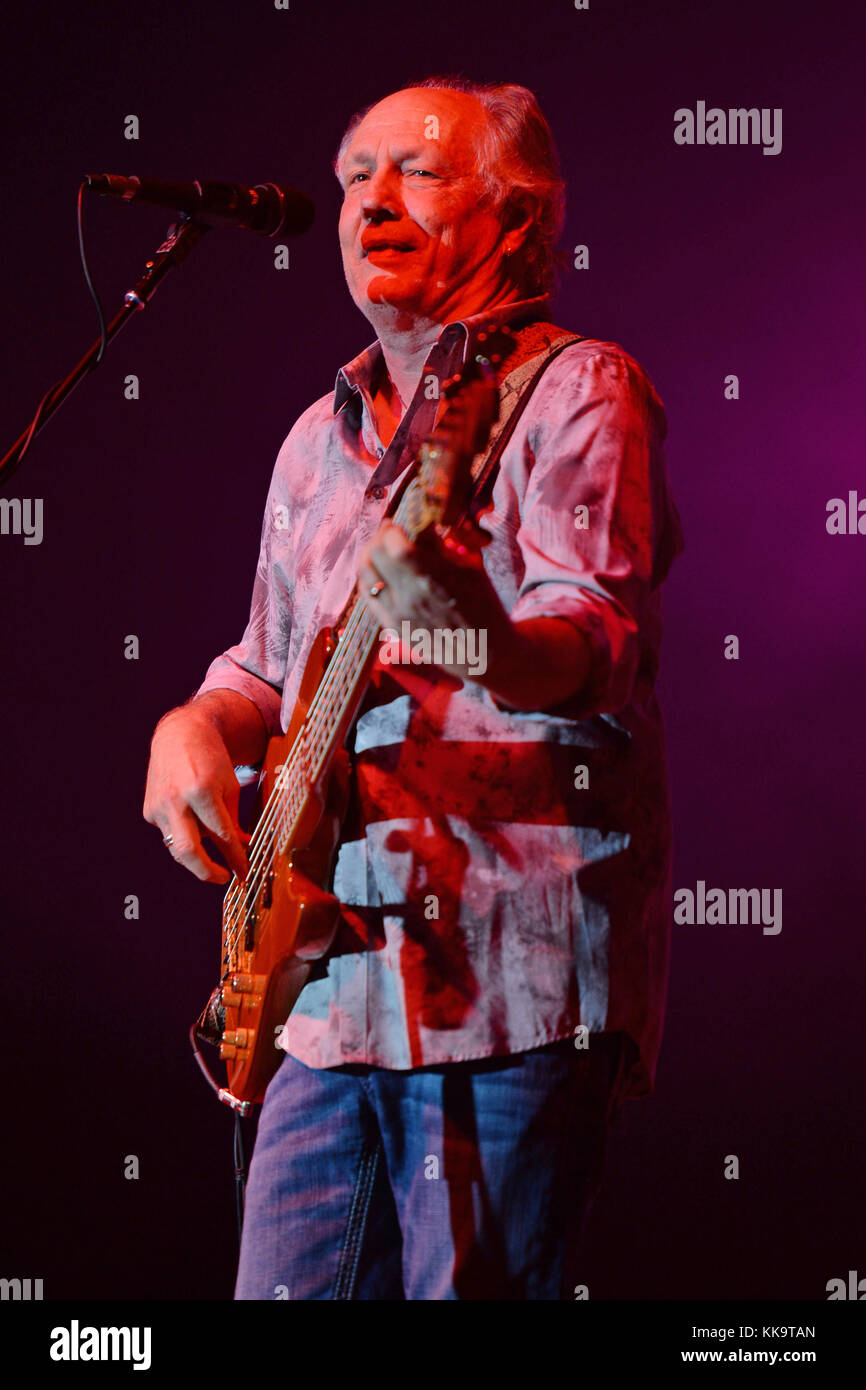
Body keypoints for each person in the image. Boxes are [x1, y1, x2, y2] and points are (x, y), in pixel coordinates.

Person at [143, 75, 683, 1300]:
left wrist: (477, 638)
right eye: (351, 178)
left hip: (499, 989)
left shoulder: (573, 389)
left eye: (419, 173)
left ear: (515, 220)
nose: (369, 200)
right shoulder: (309, 439)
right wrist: (196, 722)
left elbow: (597, 644)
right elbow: (263, 666)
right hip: (322, 992)